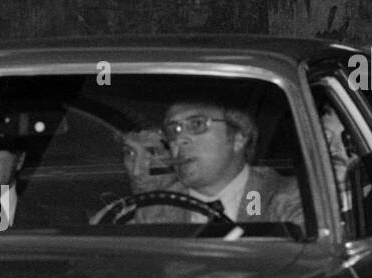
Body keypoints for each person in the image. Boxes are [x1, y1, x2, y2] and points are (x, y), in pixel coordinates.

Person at [116, 94, 303, 227]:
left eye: (197, 124)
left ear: (237, 138)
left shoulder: (284, 198)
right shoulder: (157, 209)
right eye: (173, 130)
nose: (180, 139)